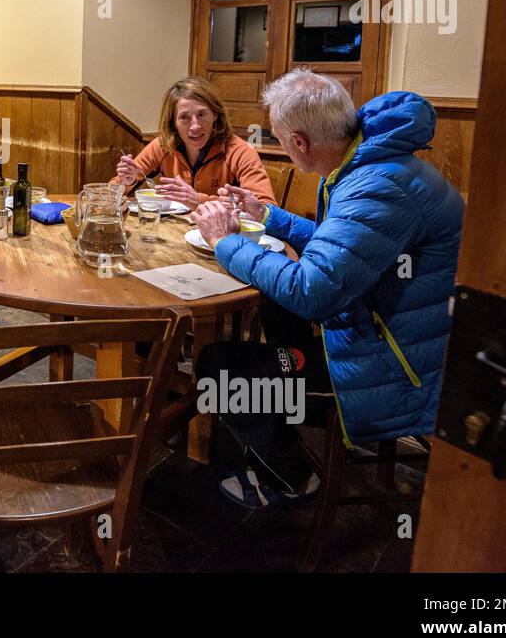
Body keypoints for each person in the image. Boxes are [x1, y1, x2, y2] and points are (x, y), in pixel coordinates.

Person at [191, 68, 463, 509]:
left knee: (222, 366)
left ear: (299, 142)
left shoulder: (376, 186)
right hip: (387, 328)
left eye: (279, 139)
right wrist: (269, 216)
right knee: (277, 311)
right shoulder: (371, 161)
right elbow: (341, 244)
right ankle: (286, 405)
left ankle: (291, 478)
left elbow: (314, 292)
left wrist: (225, 242)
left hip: (396, 362)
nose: (282, 147)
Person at [113, 77, 276, 210]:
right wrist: (128, 182)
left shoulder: (239, 150)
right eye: (184, 117)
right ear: (173, 123)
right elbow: (111, 192)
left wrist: (199, 200)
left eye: (202, 114)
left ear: (215, 115)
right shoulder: (163, 145)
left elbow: (265, 209)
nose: (195, 126)